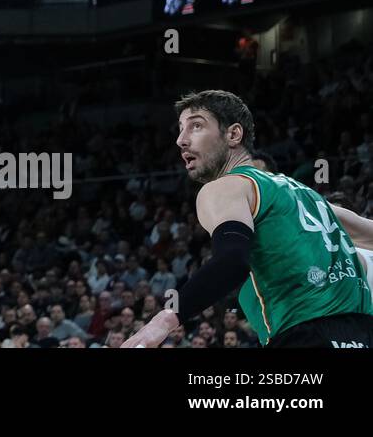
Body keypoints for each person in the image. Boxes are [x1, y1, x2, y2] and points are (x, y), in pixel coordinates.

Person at [123, 90, 373, 348]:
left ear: (233, 134)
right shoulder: (310, 198)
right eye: (180, 129)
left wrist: (165, 319)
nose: (181, 140)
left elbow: (232, 260)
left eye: (196, 126)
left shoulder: (226, 187)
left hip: (305, 335)